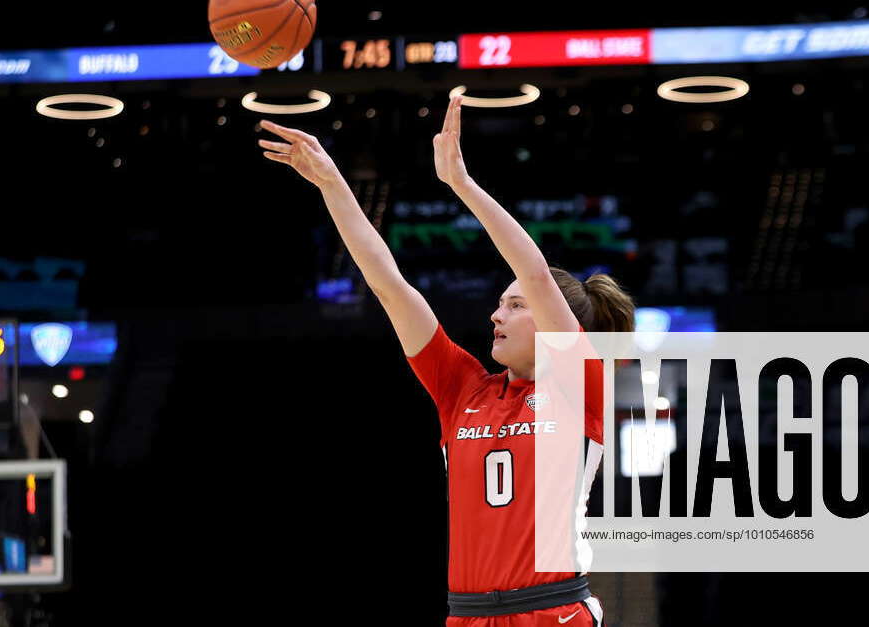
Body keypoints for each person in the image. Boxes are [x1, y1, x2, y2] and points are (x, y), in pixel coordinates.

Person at [258, 95, 634, 627]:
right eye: (500, 304)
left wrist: (462, 184)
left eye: (515, 305)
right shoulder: (463, 387)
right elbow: (389, 285)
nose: (495, 315)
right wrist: (331, 184)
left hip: (551, 613)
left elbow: (536, 274)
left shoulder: (579, 383)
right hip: (467, 616)